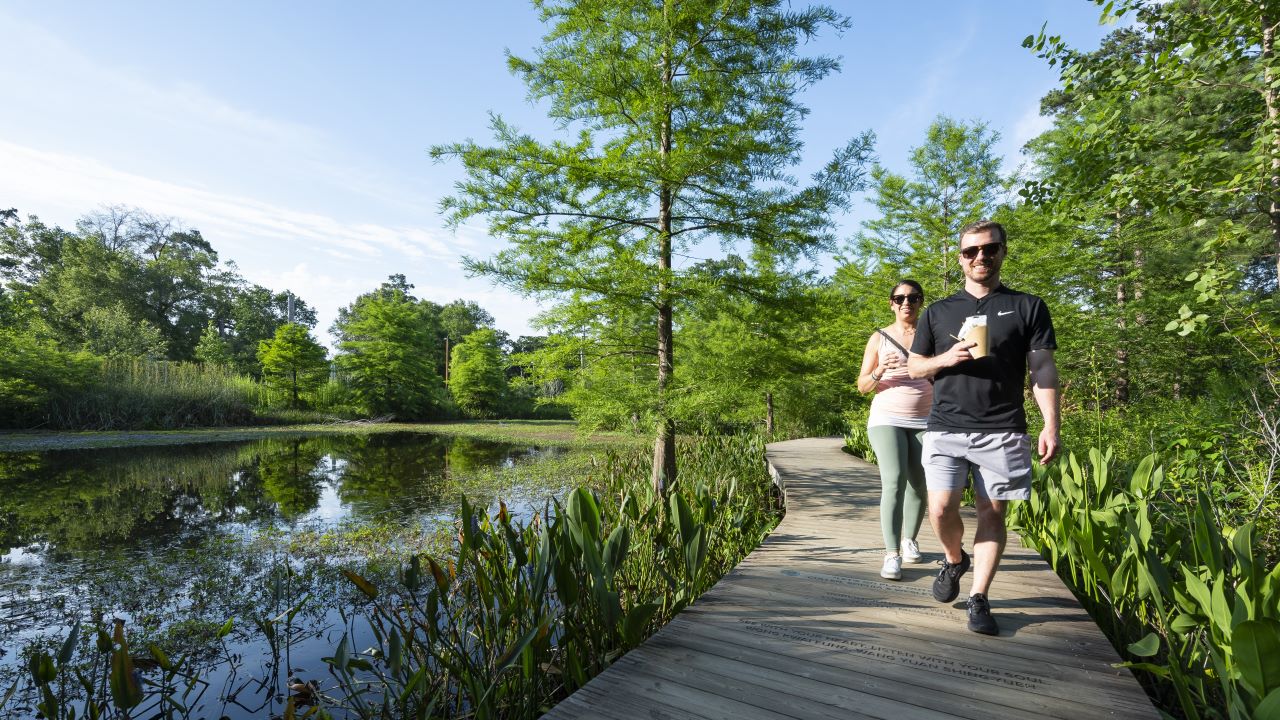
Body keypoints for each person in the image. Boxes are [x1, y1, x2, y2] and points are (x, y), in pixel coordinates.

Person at [907, 219, 1060, 636]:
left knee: (992, 513)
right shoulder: (938, 312)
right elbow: (915, 366)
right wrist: (947, 359)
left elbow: (1043, 369)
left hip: (1003, 428)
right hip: (946, 426)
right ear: (960, 258)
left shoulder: (1028, 306)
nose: (981, 257)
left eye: (990, 249)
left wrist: (1051, 425)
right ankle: (954, 559)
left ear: (1003, 252)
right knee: (940, 509)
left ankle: (979, 596)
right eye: (971, 251)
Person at [857, 279, 933, 581]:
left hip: (925, 419)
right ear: (891, 303)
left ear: (921, 302)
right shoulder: (880, 338)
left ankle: (909, 540)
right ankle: (892, 554)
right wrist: (880, 370)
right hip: (887, 417)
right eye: (900, 298)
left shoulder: (932, 334)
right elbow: (863, 386)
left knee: (919, 483)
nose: (906, 303)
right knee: (894, 481)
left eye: (913, 298)